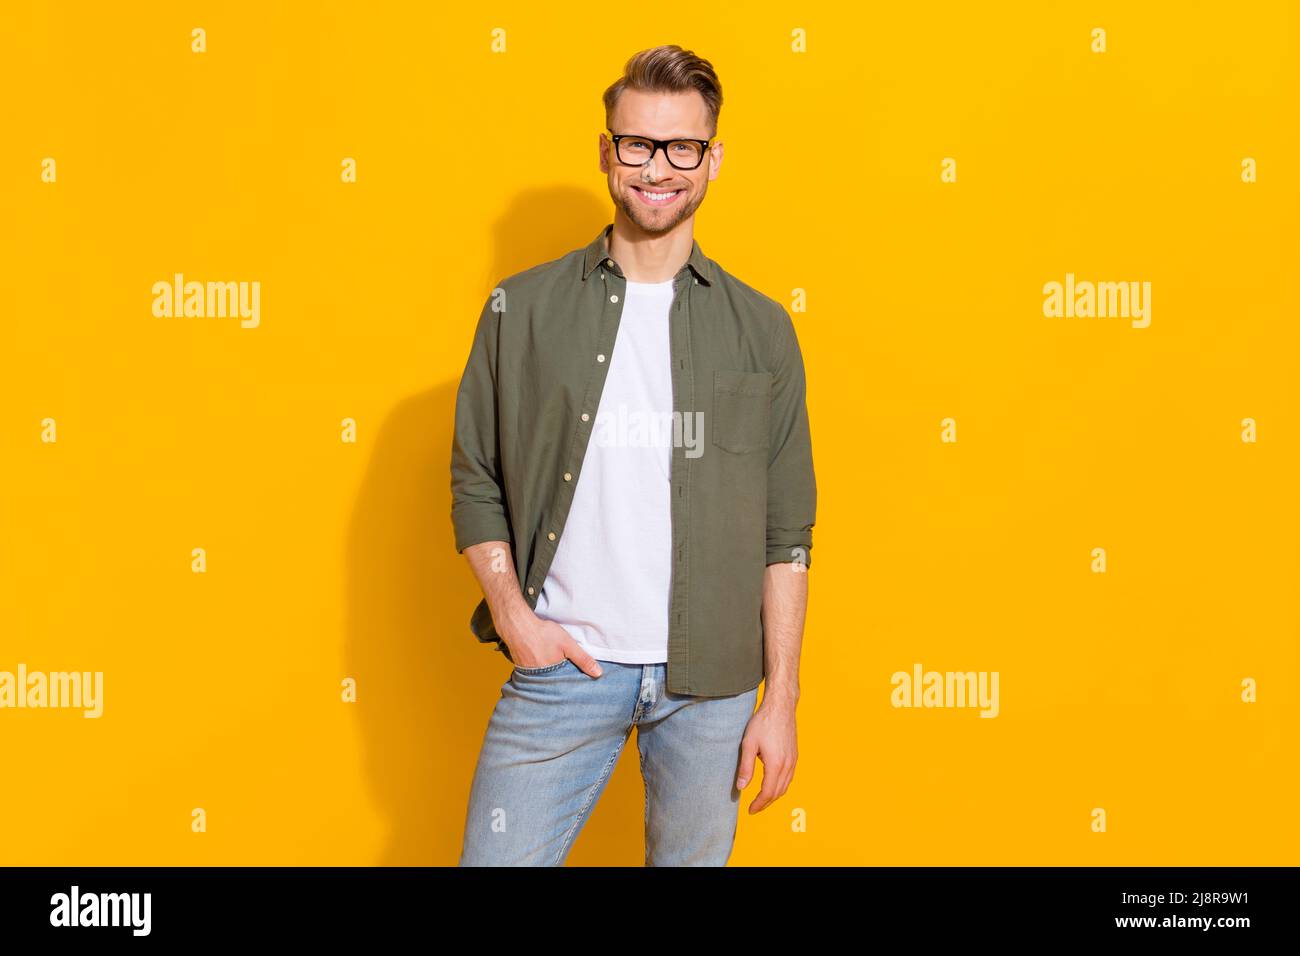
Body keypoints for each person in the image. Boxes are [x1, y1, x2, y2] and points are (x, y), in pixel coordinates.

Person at [450, 44, 816, 866]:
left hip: (711, 689)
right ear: (607, 151)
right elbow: (475, 477)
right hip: (565, 668)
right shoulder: (523, 309)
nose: (658, 168)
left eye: (681, 146)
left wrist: (780, 697)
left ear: (713, 159)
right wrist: (513, 617)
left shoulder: (763, 330)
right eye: (637, 144)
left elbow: (787, 534)